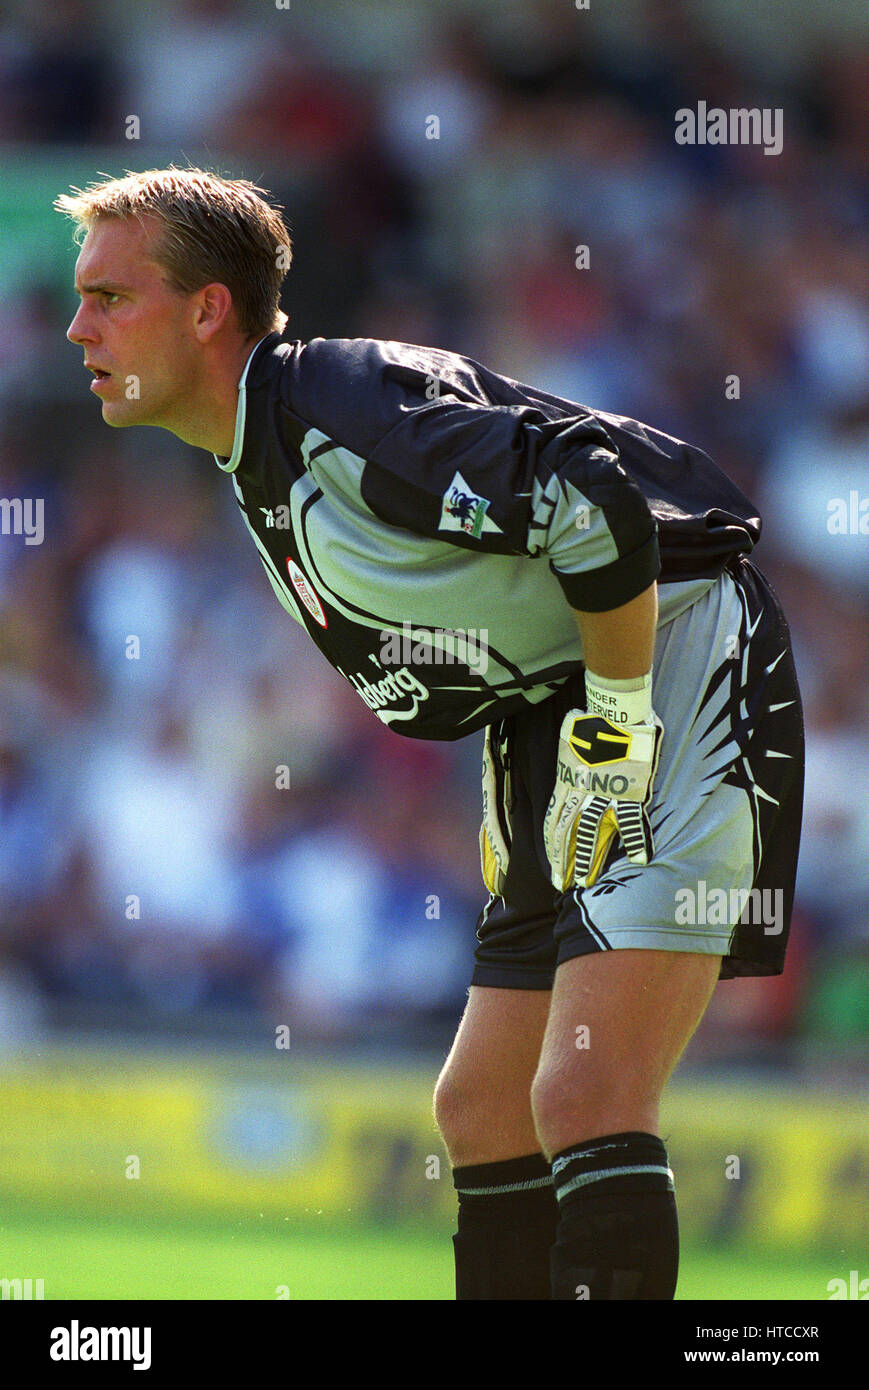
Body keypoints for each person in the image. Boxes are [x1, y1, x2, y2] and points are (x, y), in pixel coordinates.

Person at [56, 167, 804, 1301]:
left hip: (666, 657)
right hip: (548, 711)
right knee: (481, 1107)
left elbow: (589, 497)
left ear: (208, 308)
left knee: (584, 1098)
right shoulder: (259, 454)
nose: (78, 328)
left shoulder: (337, 403)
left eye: (109, 296)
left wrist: (613, 731)